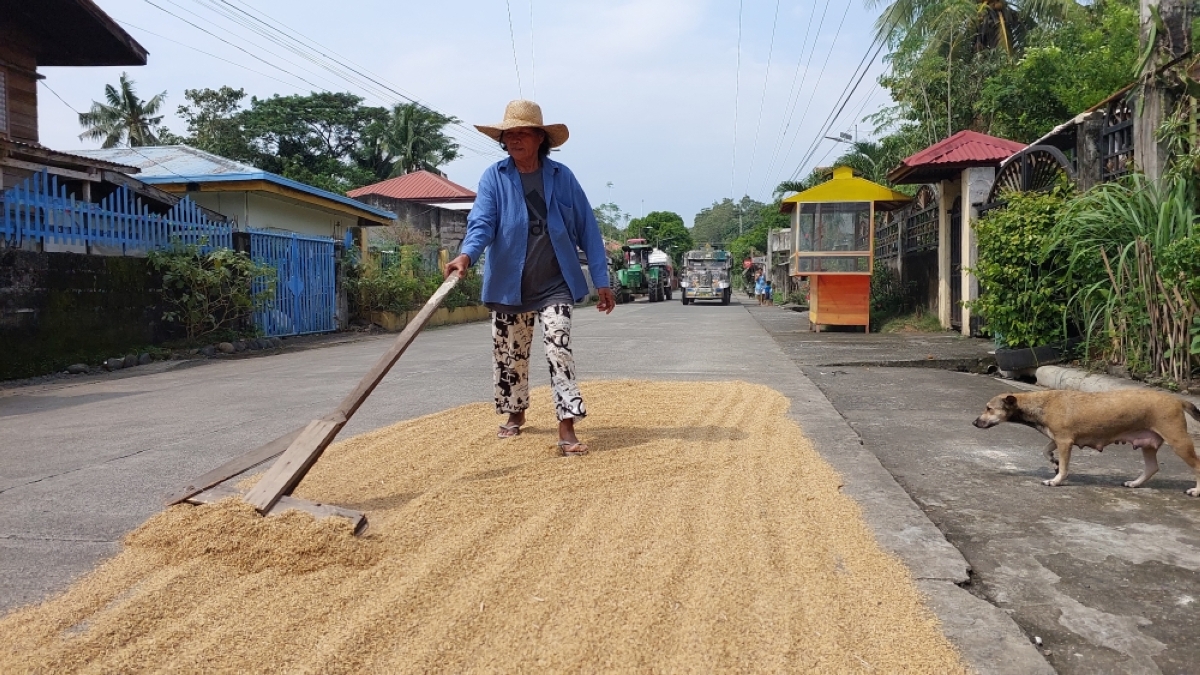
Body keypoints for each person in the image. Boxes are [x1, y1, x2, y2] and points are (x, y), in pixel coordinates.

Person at [444, 100, 615, 456]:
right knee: (510, 354)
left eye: (523, 133)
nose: (515, 139)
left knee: (559, 348)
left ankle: (566, 424)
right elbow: (482, 224)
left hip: (555, 284)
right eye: (509, 134)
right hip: (509, 282)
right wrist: (466, 255)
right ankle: (515, 411)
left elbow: (588, 228)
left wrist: (602, 280)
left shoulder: (561, 177)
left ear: (540, 138)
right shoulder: (495, 177)